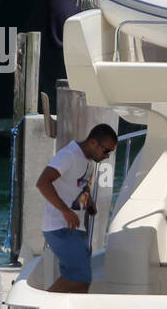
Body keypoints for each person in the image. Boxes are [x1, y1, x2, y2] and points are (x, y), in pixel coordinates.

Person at [36, 123, 118, 294]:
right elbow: (43, 182)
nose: (107, 156)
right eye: (106, 151)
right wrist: (66, 211)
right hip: (60, 228)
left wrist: (88, 202)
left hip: (75, 228)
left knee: (82, 284)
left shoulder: (88, 159)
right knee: (79, 277)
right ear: (93, 143)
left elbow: (79, 184)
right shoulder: (69, 155)